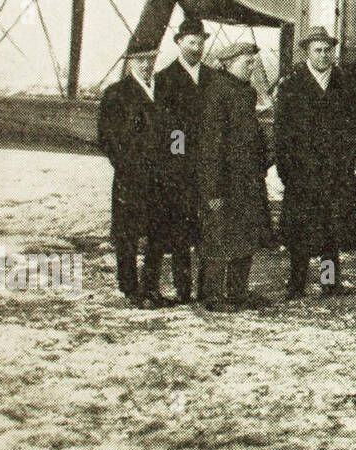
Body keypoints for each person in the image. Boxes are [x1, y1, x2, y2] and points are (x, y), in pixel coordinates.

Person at [274, 26, 356, 298]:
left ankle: (329, 282)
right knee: (300, 231)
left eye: (328, 50)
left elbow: (355, 125)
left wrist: (352, 161)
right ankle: (297, 283)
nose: (324, 55)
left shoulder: (344, 84)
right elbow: (282, 133)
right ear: (307, 53)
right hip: (303, 172)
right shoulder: (291, 85)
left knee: (331, 232)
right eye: (318, 51)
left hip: (335, 172)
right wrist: (286, 170)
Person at [196, 41, 272, 311]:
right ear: (229, 63)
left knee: (244, 237)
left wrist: (263, 158)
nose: (252, 68)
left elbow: (250, 133)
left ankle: (238, 292)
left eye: (253, 62)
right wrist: (213, 190)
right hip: (225, 182)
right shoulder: (217, 92)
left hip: (246, 180)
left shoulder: (245, 92)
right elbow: (211, 146)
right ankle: (213, 297)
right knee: (219, 238)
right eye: (247, 62)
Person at [98, 37, 168, 307]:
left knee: (158, 233)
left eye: (151, 60)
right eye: (140, 60)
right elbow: (108, 138)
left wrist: (177, 155)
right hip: (132, 177)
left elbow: (176, 130)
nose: (146, 65)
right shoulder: (117, 94)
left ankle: (151, 287)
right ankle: (129, 288)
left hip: (161, 177)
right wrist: (127, 166)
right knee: (128, 234)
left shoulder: (161, 91)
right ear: (129, 63)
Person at [153, 16, 212, 303]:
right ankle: (182, 287)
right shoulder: (165, 79)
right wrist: (179, 159)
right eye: (191, 43)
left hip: (207, 165)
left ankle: (205, 287)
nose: (197, 48)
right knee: (179, 231)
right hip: (182, 168)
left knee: (207, 230)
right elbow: (169, 127)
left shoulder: (211, 77)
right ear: (179, 43)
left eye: (200, 43)